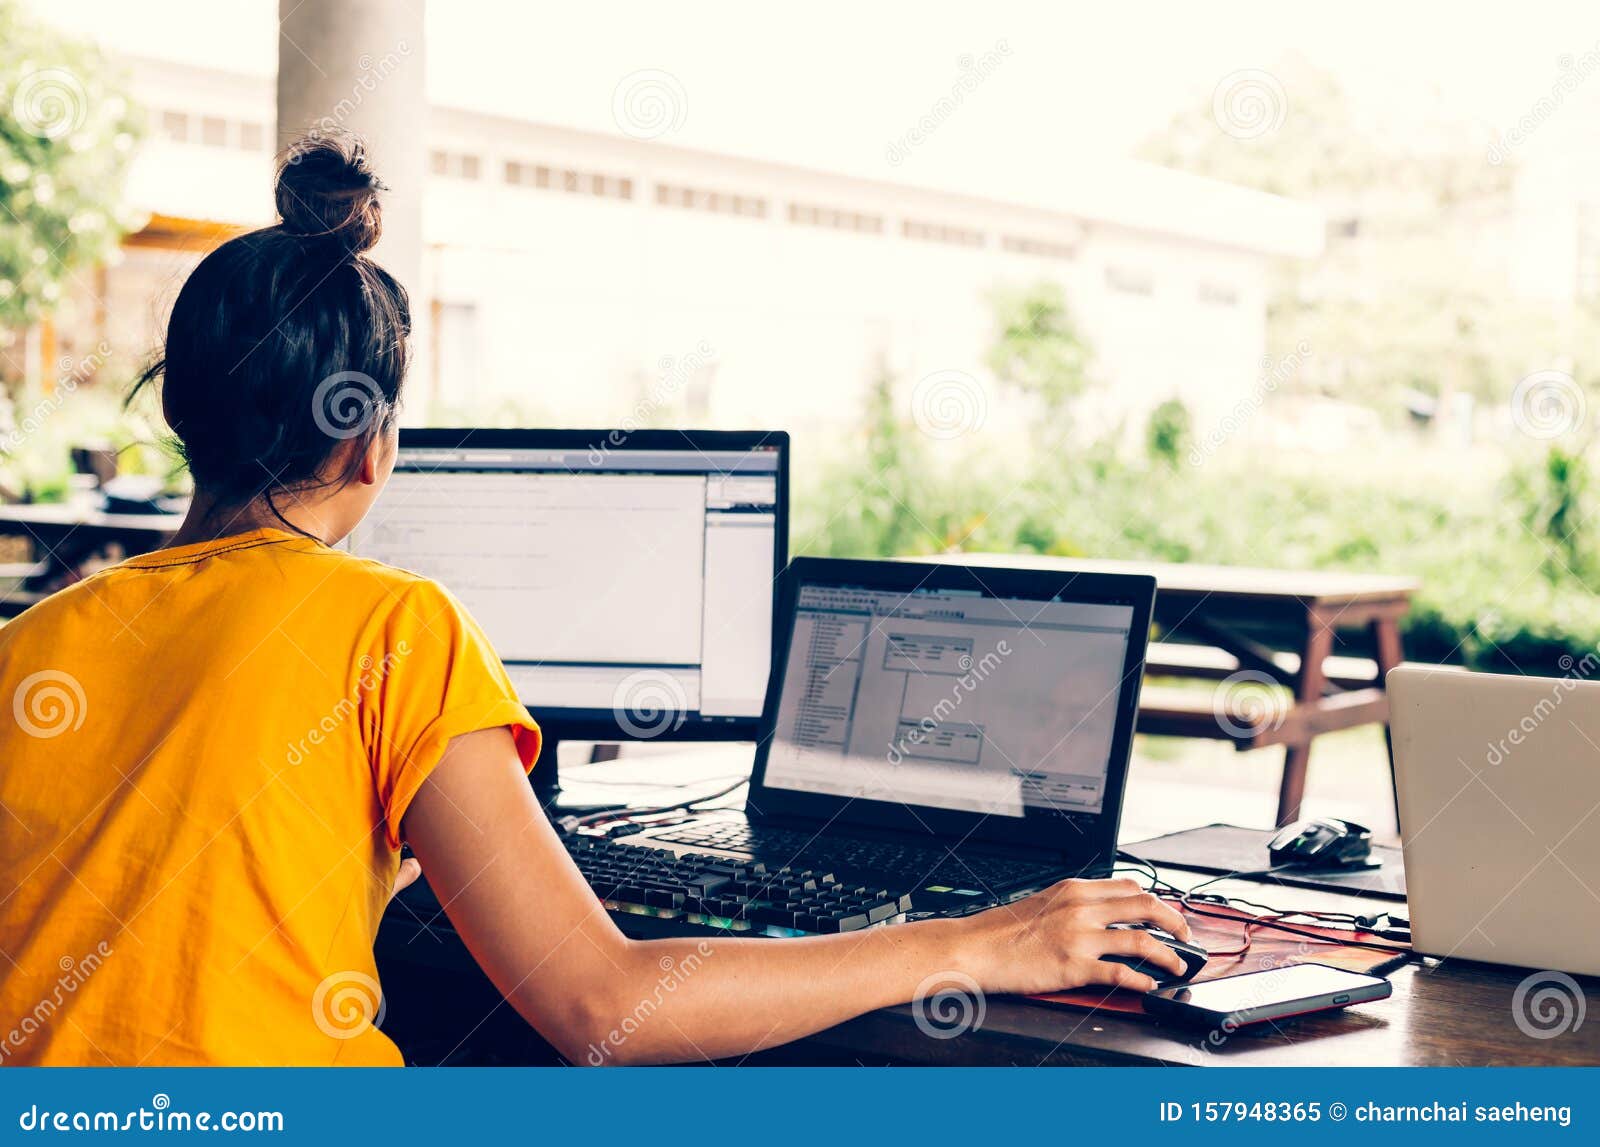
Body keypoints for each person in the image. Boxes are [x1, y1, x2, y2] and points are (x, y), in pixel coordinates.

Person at [0, 133, 1191, 1066]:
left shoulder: (30, 644)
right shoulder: (393, 626)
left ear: (182, 417)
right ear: (372, 446)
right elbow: (602, 1007)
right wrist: (983, 939)